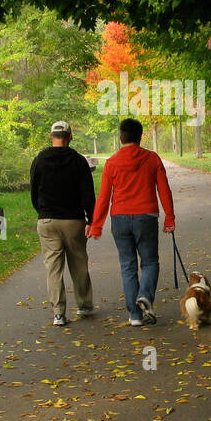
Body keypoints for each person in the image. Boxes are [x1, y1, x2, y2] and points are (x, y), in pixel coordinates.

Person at [87, 117, 175, 327]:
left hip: (120, 219)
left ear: (120, 138)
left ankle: (134, 315)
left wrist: (96, 224)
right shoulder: (152, 158)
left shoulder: (112, 163)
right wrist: (169, 217)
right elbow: (164, 189)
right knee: (150, 262)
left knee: (128, 266)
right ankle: (145, 295)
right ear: (140, 136)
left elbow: (104, 197)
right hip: (147, 217)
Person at [30, 120, 96, 327]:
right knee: (79, 264)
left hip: (47, 220)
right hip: (73, 220)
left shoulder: (39, 160)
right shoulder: (78, 161)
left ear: (51, 137)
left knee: (53, 268)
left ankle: (58, 313)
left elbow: (34, 192)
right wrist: (91, 219)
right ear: (69, 137)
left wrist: (42, 212)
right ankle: (84, 306)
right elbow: (88, 193)